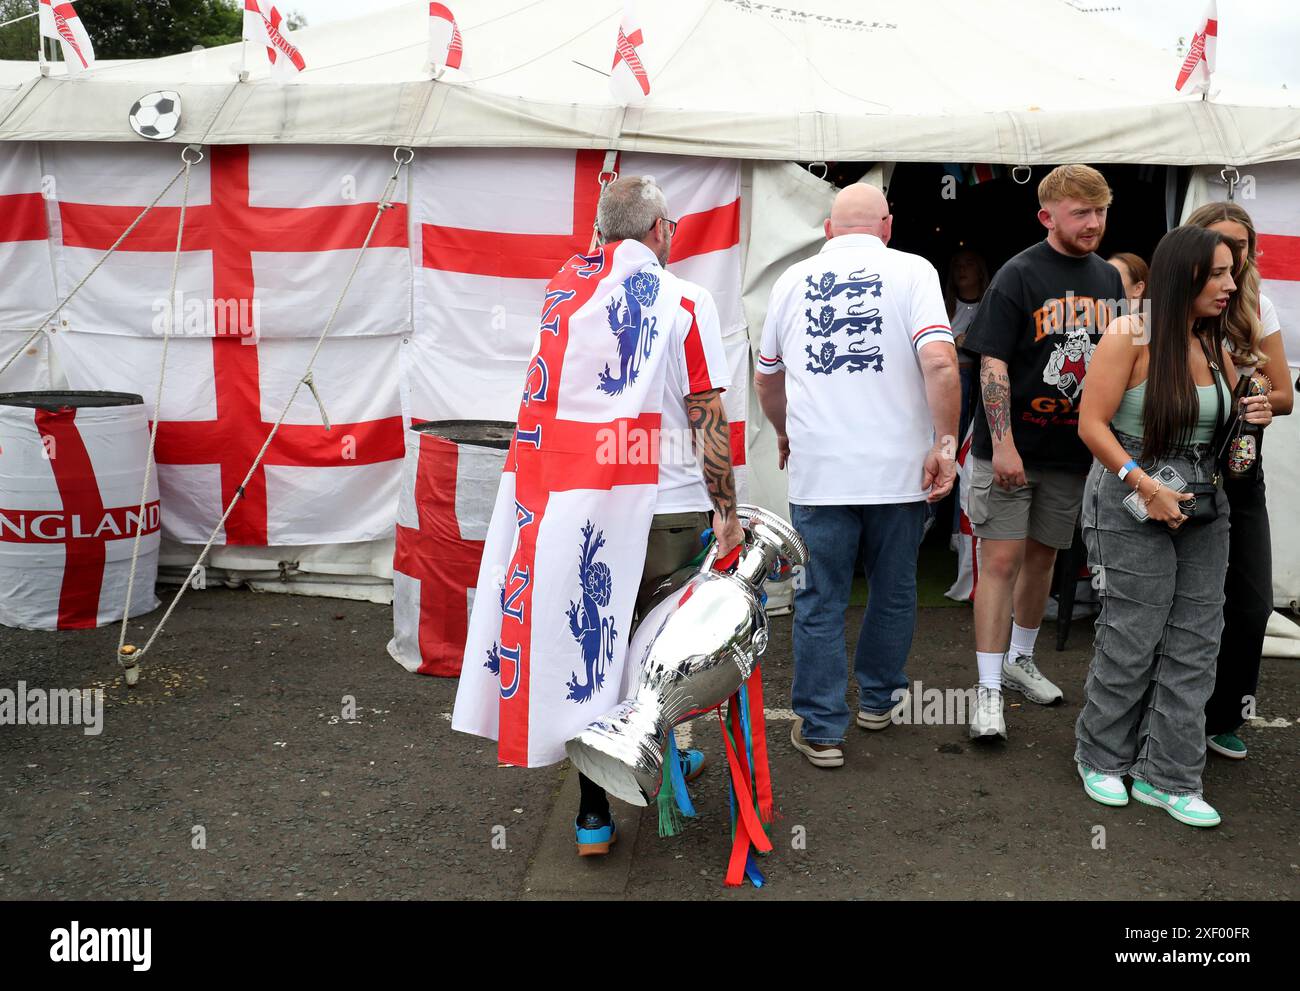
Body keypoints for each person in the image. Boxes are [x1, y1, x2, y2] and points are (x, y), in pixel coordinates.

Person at [452, 175, 742, 856]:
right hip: (666, 512)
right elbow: (707, 416)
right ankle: (656, 768)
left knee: (594, 653)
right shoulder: (686, 300)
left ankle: (593, 814)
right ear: (659, 230)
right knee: (656, 660)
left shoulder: (562, 299)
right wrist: (726, 512)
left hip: (576, 509)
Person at [754, 183, 959, 768]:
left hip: (821, 470)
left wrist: (786, 429)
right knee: (893, 590)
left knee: (820, 598)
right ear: (887, 227)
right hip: (900, 470)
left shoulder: (792, 280)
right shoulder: (914, 270)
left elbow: (768, 377)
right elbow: (941, 360)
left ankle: (821, 730)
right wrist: (944, 444)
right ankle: (877, 700)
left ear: (827, 231)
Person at [1074, 224, 1272, 828]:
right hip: (1134, 494)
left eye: (1230, 272)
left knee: (1196, 640)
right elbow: (1092, 425)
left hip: (1203, 504)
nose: (1229, 283)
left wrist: (1254, 404)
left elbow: (1239, 412)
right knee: (1133, 632)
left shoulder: (1213, 342)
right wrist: (1145, 484)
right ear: (1182, 274)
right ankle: (1101, 754)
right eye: (1216, 273)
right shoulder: (1129, 334)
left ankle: (1170, 775)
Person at [961, 165, 1126, 739]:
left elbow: (1120, 363)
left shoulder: (1109, 280)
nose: (1094, 223)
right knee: (1000, 561)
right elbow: (993, 362)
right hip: (1011, 451)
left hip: (1069, 453)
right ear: (1047, 215)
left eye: (1100, 211)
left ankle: (1019, 660)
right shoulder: (1018, 274)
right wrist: (1002, 444)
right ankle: (984, 693)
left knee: (1043, 560)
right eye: (1081, 212)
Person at [1186, 202, 1293, 760]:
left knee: (1250, 604)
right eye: (1222, 241)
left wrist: (1254, 399)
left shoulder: (1259, 303)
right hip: (1179, 470)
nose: (1234, 253)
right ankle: (1165, 714)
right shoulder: (1169, 307)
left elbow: (1284, 396)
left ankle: (1225, 715)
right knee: (1180, 603)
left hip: (1240, 470)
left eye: (1243, 243)